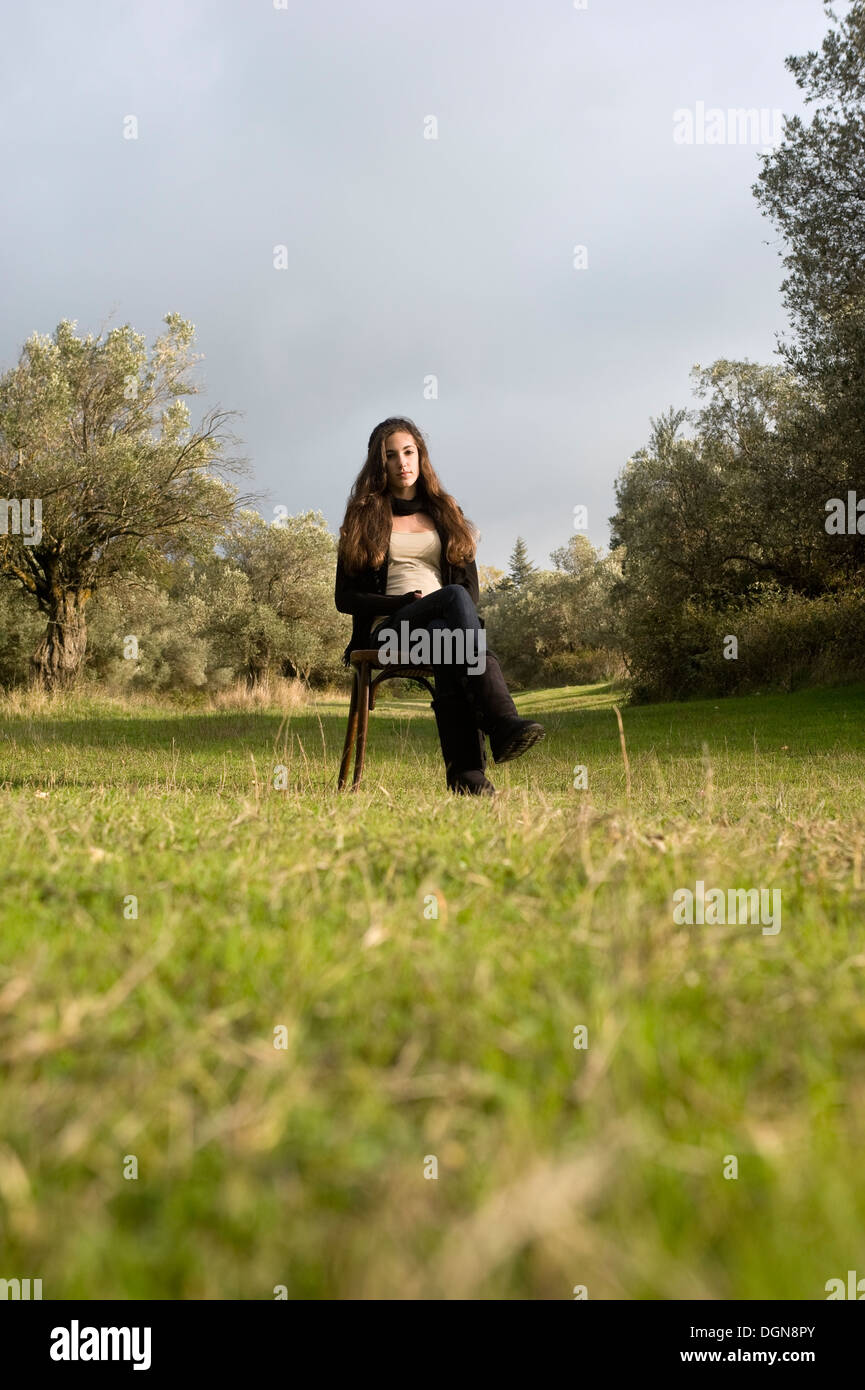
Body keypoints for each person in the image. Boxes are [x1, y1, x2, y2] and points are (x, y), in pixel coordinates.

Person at [334, 416, 545, 795]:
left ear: (421, 455)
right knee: (453, 603)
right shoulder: (364, 515)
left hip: (439, 627)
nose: (402, 462)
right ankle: (500, 721)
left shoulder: (446, 511)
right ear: (378, 463)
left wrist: (447, 611)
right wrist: (399, 601)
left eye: (409, 452)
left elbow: (469, 587)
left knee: (448, 635)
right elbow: (344, 598)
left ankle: (468, 779)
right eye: (391, 455)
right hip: (390, 629)